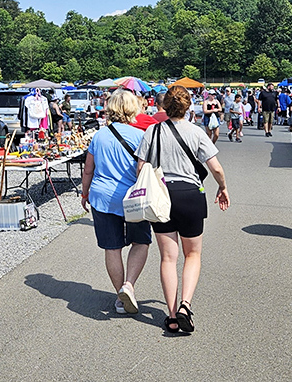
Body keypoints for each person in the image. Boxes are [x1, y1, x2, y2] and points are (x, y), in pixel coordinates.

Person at [135, 86, 230, 334]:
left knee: (168, 257)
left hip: (162, 197)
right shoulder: (196, 132)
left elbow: (140, 169)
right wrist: (223, 187)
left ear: (164, 105)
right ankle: (185, 305)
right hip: (190, 196)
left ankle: (171, 315)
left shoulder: (152, 132)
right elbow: (216, 168)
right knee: (193, 255)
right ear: (189, 106)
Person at [80, 89, 150, 315]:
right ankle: (129, 285)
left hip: (102, 196)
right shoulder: (140, 136)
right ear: (133, 109)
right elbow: (145, 170)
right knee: (140, 241)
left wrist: (84, 193)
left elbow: (88, 170)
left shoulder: (99, 136)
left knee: (112, 247)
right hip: (132, 198)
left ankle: (120, 297)